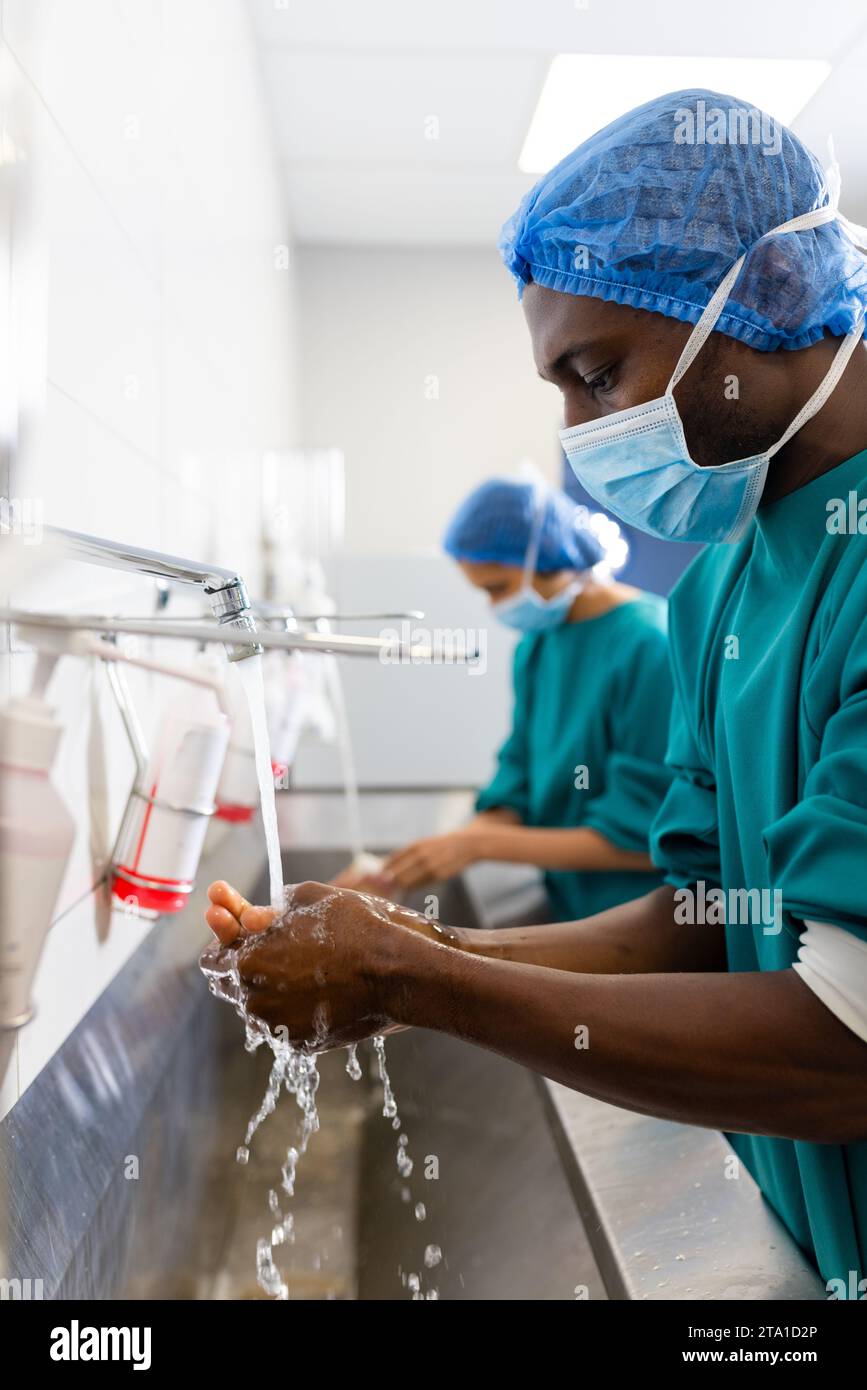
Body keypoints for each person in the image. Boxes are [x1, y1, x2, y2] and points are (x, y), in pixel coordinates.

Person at [205, 90, 867, 1291]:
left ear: (760, 304)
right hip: (814, 1233)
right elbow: (702, 919)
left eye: (598, 373)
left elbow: (845, 1043)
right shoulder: (725, 582)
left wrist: (419, 978)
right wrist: (421, 948)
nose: (577, 434)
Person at [335, 478, 672, 920]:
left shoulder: (649, 646)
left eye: (497, 587)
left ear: (552, 559)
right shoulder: (538, 646)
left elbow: (645, 838)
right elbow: (519, 780)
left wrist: (476, 845)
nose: (494, 607)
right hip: (568, 907)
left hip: (643, 919)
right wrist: (408, 867)